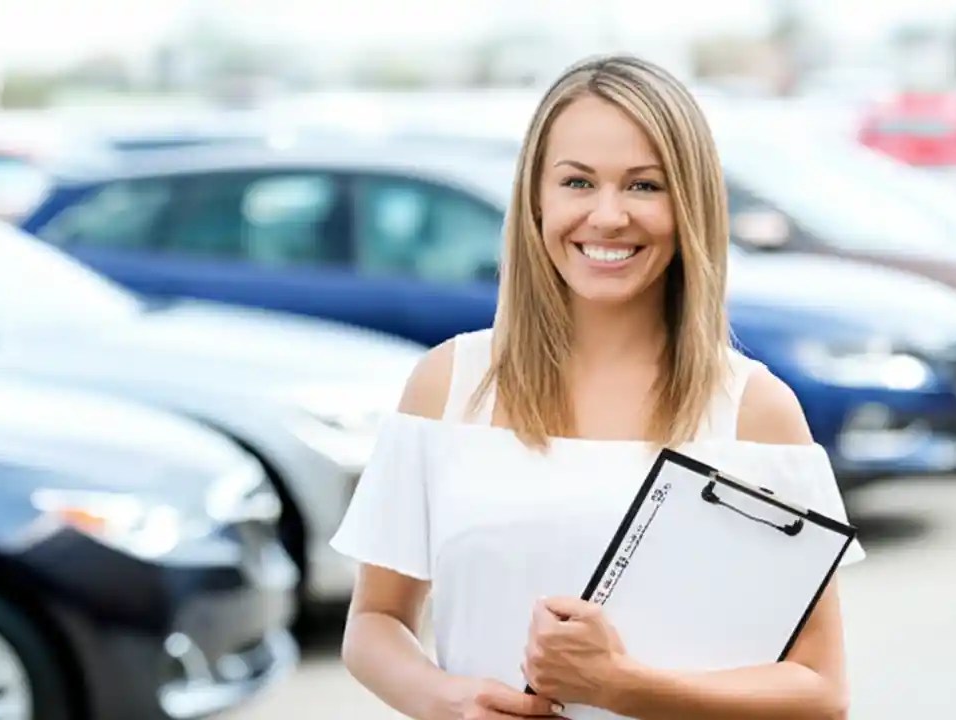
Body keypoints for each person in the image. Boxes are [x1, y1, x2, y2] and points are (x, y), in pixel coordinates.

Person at [331, 54, 865, 720]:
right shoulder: (448, 386)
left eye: (644, 186)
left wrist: (619, 684)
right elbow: (375, 622)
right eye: (578, 182)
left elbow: (820, 691)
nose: (608, 217)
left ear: (690, 203)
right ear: (536, 198)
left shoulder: (753, 411)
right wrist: (451, 700)